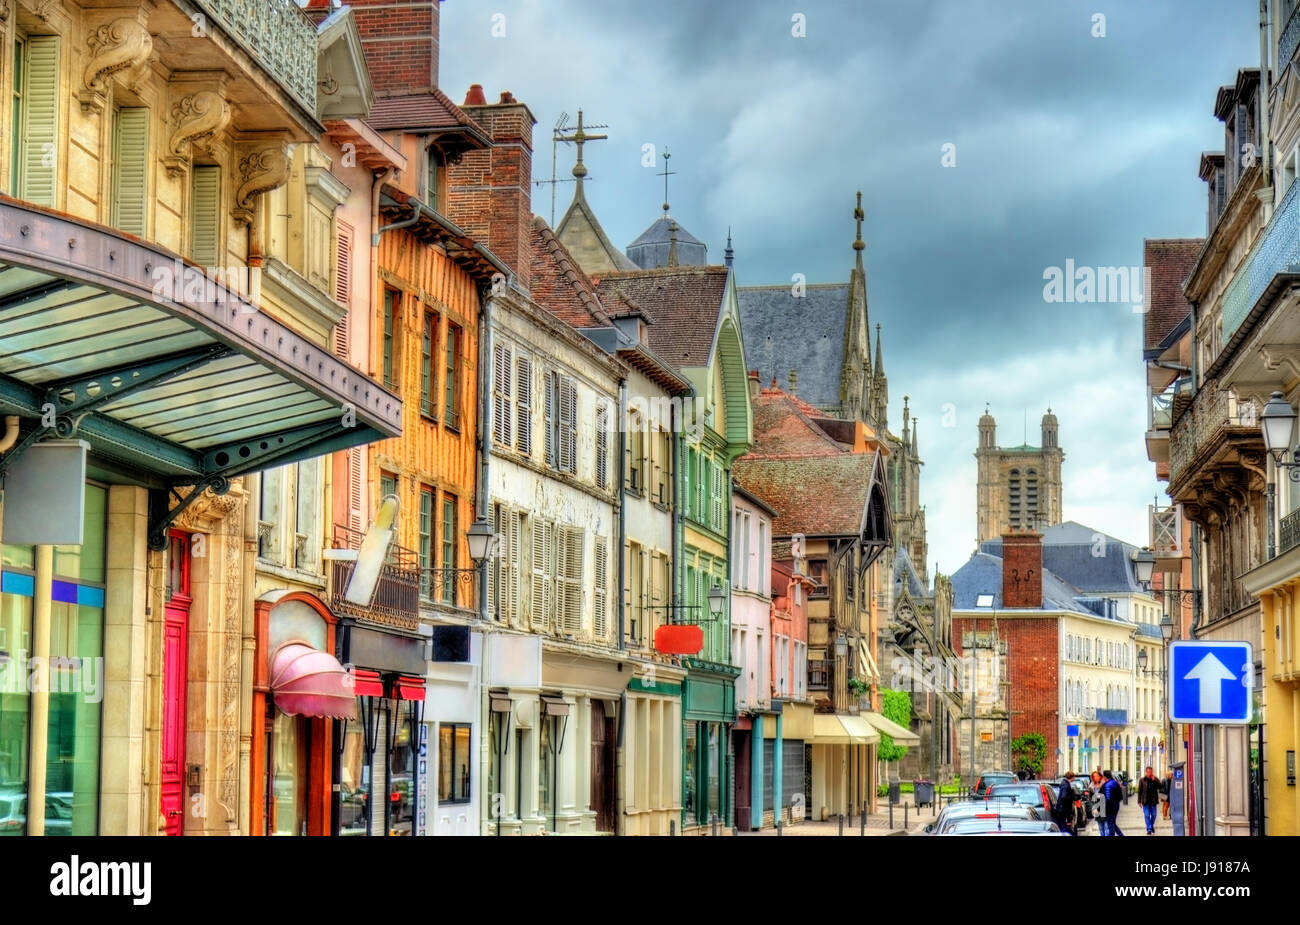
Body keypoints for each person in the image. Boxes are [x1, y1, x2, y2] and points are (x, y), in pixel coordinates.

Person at [1137, 766, 1160, 834]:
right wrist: (1139, 801)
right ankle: (1149, 829)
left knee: (1154, 815)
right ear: (1146, 772)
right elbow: (1140, 791)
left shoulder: (1155, 779)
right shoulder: (1142, 780)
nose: (1150, 773)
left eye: (1151, 772)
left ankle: (1151, 825)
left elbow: (1160, 786)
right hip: (1145, 801)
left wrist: (1154, 780)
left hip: (1153, 801)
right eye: (1148, 772)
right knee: (1147, 815)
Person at [1103, 770, 1124, 836]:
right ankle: (1121, 834)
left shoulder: (1107, 785)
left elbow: (1108, 798)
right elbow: (1120, 796)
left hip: (1110, 808)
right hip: (1116, 805)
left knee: (1111, 824)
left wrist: (1104, 807)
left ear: (1104, 776)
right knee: (1112, 823)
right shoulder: (1115, 782)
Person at [1089, 771, 1108, 836]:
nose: (1096, 777)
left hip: (1105, 808)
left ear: (1100, 776)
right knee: (1100, 827)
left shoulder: (1104, 784)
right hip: (1096, 808)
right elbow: (1090, 799)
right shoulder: (1091, 787)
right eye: (1094, 776)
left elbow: (1106, 796)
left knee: (1107, 827)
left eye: (1097, 776)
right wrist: (1094, 808)